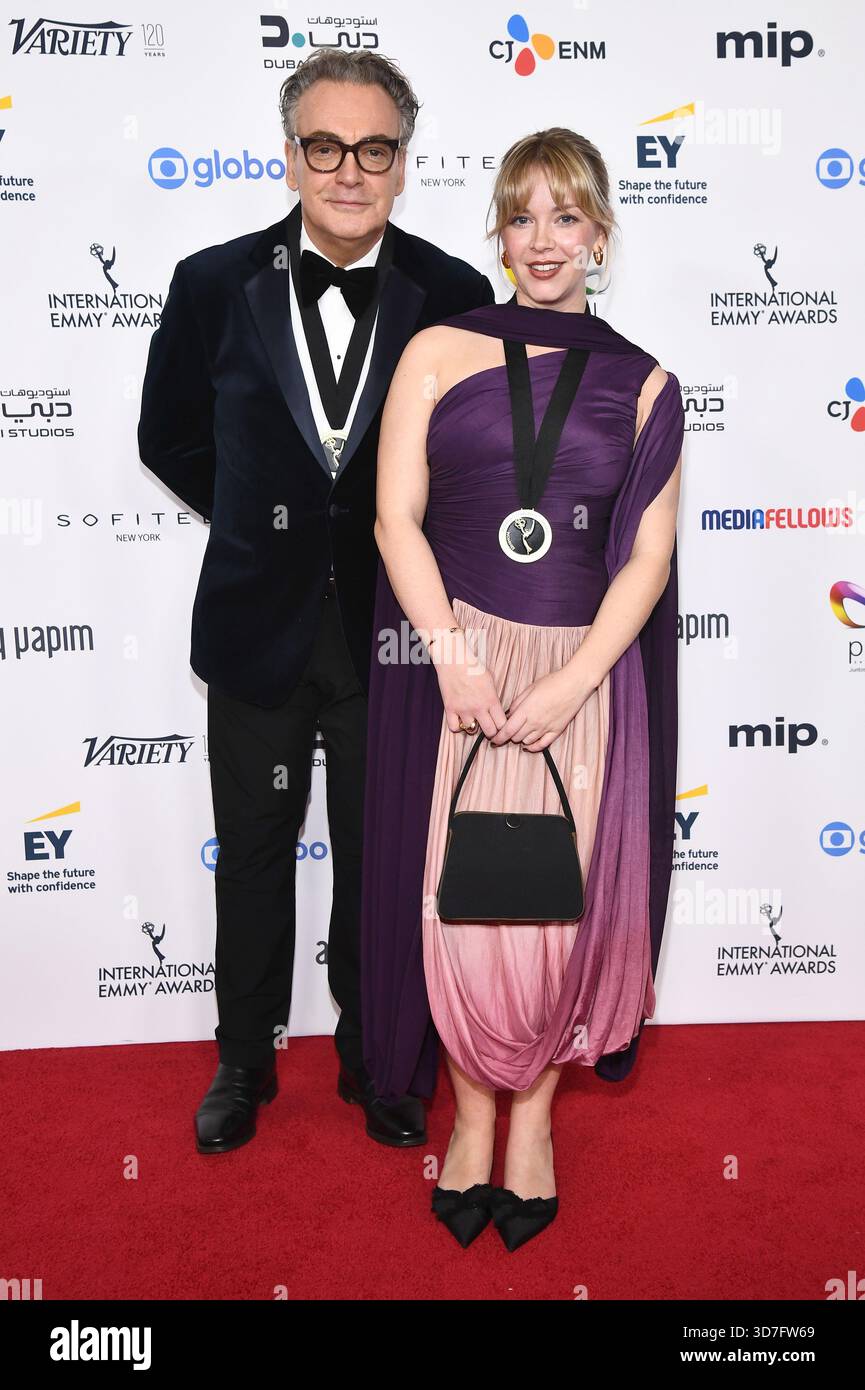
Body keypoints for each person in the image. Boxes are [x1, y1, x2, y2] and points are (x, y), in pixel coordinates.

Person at [137, 49, 495, 1156]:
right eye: (325, 146)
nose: (349, 170)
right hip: (255, 625)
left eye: (374, 148)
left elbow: (472, 466)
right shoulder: (210, 281)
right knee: (250, 850)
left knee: (380, 858)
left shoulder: (456, 292)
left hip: (394, 633)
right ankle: (243, 1057)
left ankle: (377, 1054)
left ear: (401, 161)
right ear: (289, 153)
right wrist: (260, 524)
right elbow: (168, 436)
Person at [361, 127, 684, 1248]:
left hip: (580, 677)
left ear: (600, 234)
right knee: (457, 903)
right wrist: (449, 654)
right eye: (520, 214)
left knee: (558, 909)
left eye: (566, 215)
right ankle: (471, 1114)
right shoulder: (437, 348)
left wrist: (576, 681)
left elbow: (646, 555)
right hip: (453, 663)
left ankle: (534, 1119)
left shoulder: (646, 383)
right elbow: (393, 516)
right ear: (496, 229)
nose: (542, 239)